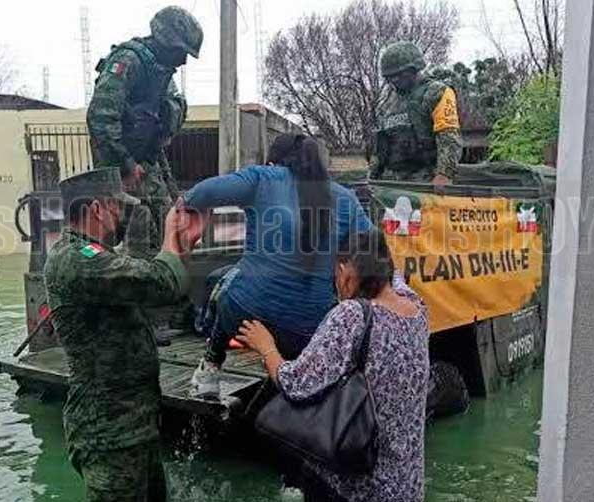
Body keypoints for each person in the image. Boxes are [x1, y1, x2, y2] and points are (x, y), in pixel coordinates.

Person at [43, 167, 204, 502]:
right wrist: (170, 234)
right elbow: (159, 282)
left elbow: (158, 287)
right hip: (109, 436)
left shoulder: (96, 254)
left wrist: (180, 247)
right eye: (116, 206)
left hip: (136, 426)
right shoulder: (77, 259)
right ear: (96, 210)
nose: (121, 214)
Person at [237, 230, 430, 502]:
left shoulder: (352, 315)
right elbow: (395, 279)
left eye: (337, 274)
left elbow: (296, 383)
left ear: (345, 272)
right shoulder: (417, 309)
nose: (337, 284)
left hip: (357, 488)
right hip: (406, 487)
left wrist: (266, 346)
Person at [186, 134, 373, 399]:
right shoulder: (346, 198)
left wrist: (196, 215)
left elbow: (199, 194)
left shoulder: (262, 178)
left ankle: (210, 366)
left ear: (274, 163)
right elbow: (374, 248)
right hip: (311, 329)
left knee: (222, 284)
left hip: (247, 314)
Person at [87, 5, 203, 255]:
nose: (182, 61)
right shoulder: (128, 61)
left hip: (147, 161)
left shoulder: (161, 73)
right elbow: (100, 118)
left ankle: (158, 279)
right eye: (180, 52)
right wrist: (126, 165)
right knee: (138, 232)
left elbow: (161, 125)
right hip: (119, 167)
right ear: (166, 41)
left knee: (169, 220)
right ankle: (139, 284)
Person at [370, 40, 463, 189]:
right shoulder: (387, 103)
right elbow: (381, 147)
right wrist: (372, 177)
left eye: (399, 74)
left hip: (426, 180)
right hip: (392, 182)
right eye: (390, 77)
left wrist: (444, 175)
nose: (395, 80)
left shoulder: (436, 92)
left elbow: (448, 135)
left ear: (414, 69)